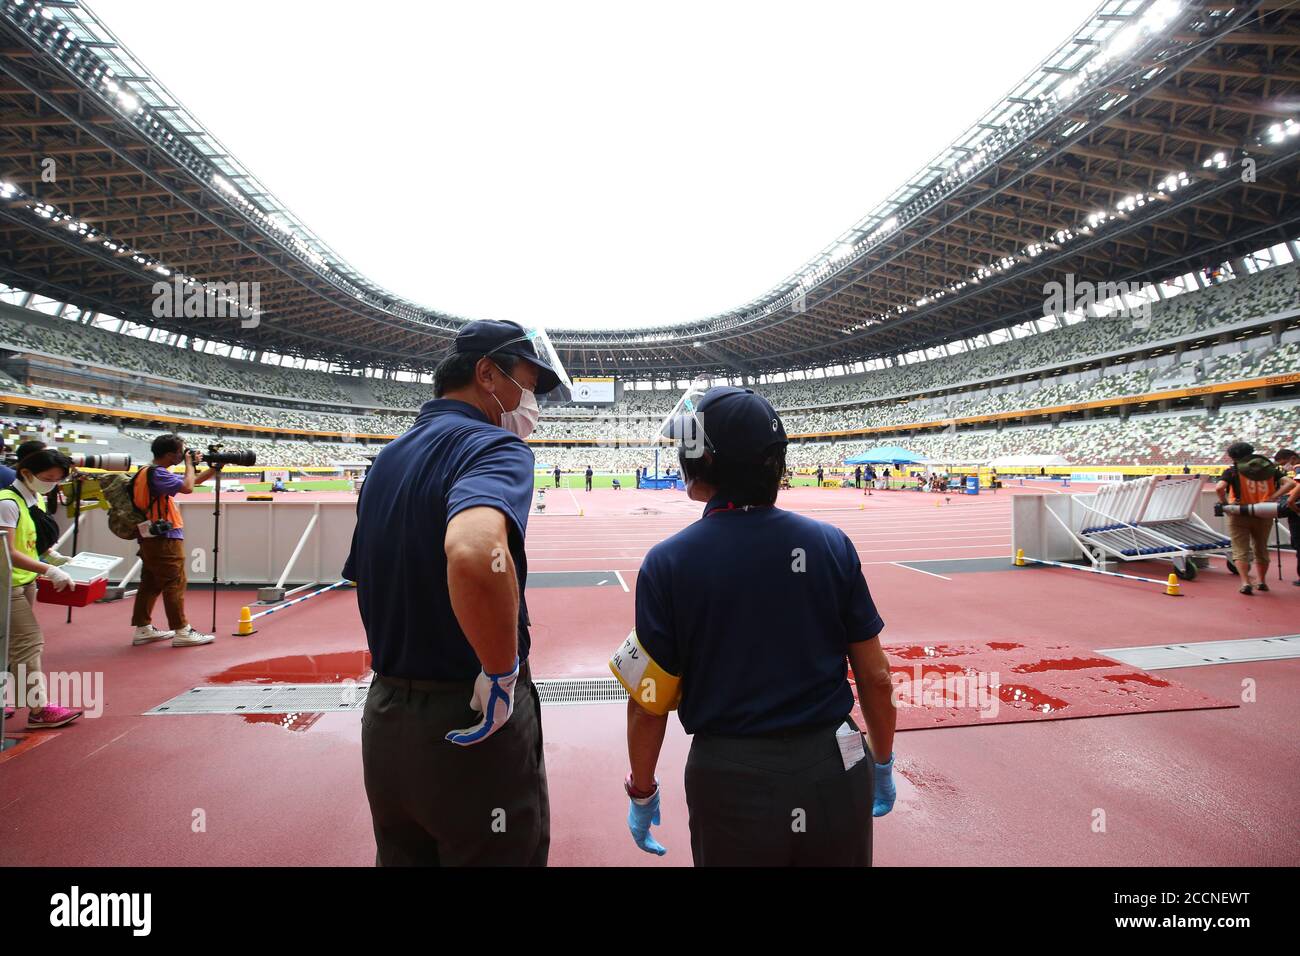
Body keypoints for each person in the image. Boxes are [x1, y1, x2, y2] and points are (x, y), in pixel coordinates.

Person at [610, 386, 896, 866]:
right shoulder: (831, 545)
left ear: (703, 462)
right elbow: (877, 677)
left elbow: (647, 704)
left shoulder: (667, 563)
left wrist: (642, 790)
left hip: (729, 776)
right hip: (836, 761)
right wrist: (882, 762)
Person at [344, 319, 558, 866]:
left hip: (388, 716)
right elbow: (472, 552)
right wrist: (500, 671)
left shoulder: (386, 461)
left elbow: (367, 575)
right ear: (487, 374)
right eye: (528, 383)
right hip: (469, 719)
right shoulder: (494, 448)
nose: (531, 400)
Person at [1, 449, 82, 728]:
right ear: (26, 473)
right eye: (48, 478)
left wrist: (50, 557)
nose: (52, 485)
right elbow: (8, 552)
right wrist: (49, 568)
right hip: (7, 583)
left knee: (8, 644)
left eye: (57, 480)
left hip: (22, 581)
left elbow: (29, 543)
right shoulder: (7, 503)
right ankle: (39, 709)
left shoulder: (33, 499)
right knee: (28, 643)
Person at [129, 435, 219, 647]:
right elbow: (188, 488)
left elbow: (191, 482)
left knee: (150, 583)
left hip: (150, 535)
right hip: (164, 537)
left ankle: (143, 628)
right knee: (175, 582)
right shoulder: (158, 474)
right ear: (171, 454)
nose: (183, 454)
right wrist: (189, 464)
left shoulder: (147, 472)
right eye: (181, 451)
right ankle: (182, 630)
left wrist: (214, 468)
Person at [1215, 441, 1295, 595]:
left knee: (1240, 550)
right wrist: (1273, 497)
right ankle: (1262, 581)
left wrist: (1225, 504)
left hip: (1239, 513)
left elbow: (1219, 488)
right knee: (1261, 548)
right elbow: (1290, 483)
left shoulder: (1233, 471)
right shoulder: (1269, 469)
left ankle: (1245, 582)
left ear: (1234, 457)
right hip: (1264, 512)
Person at [1273, 449, 1300, 586]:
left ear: (1293, 458)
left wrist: (1291, 503)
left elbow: (1298, 488)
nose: (1284, 467)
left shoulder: (1298, 469)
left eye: (1284, 463)